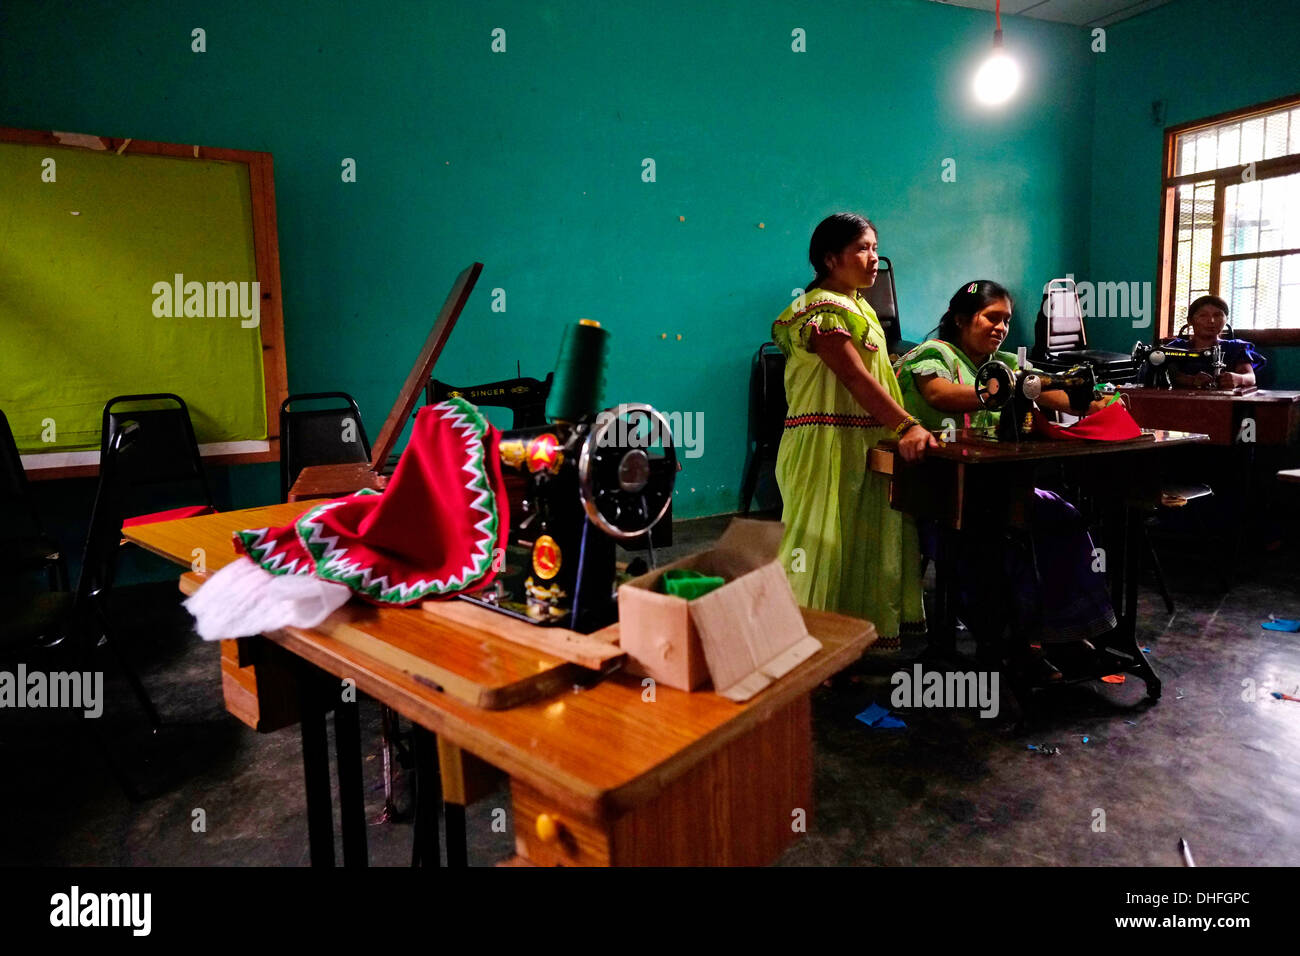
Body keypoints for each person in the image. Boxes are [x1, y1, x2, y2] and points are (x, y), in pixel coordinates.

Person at [893, 281, 1117, 676]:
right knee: (985, 543)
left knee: (1061, 517)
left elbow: (1053, 394)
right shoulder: (935, 354)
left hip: (996, 484)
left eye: (1007, 321)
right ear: (962, 319)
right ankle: (1005, 644)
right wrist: (998, 391)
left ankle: (1065, 632)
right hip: (938, 488)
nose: (1001, 327)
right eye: (991, 317)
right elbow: (940, 395)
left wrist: (1094, 401)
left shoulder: (1009, 363)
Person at [771, 213, 937, 649]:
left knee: (859, 544)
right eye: (862, 249)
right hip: (824, 443)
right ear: (830, 258)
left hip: (859, 441)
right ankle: (803, 645)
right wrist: (907, 424)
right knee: (818, 545)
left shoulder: (859, 306)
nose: (873, 258)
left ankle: (844, 642)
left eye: (875, 249)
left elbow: (874, 375)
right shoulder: (823, 309)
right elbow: (854, 378)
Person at [1161, 295, 1265, 389]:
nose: (1211, 321)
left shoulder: (1236, 347)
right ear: (1190, 321)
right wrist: (1191, 380)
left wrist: (1238, 379)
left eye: (1217, 315)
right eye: (1203, 315)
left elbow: (1250, 377)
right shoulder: (1175, 347)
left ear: (1226, 319)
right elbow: (1171, 374)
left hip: (1225, 403)